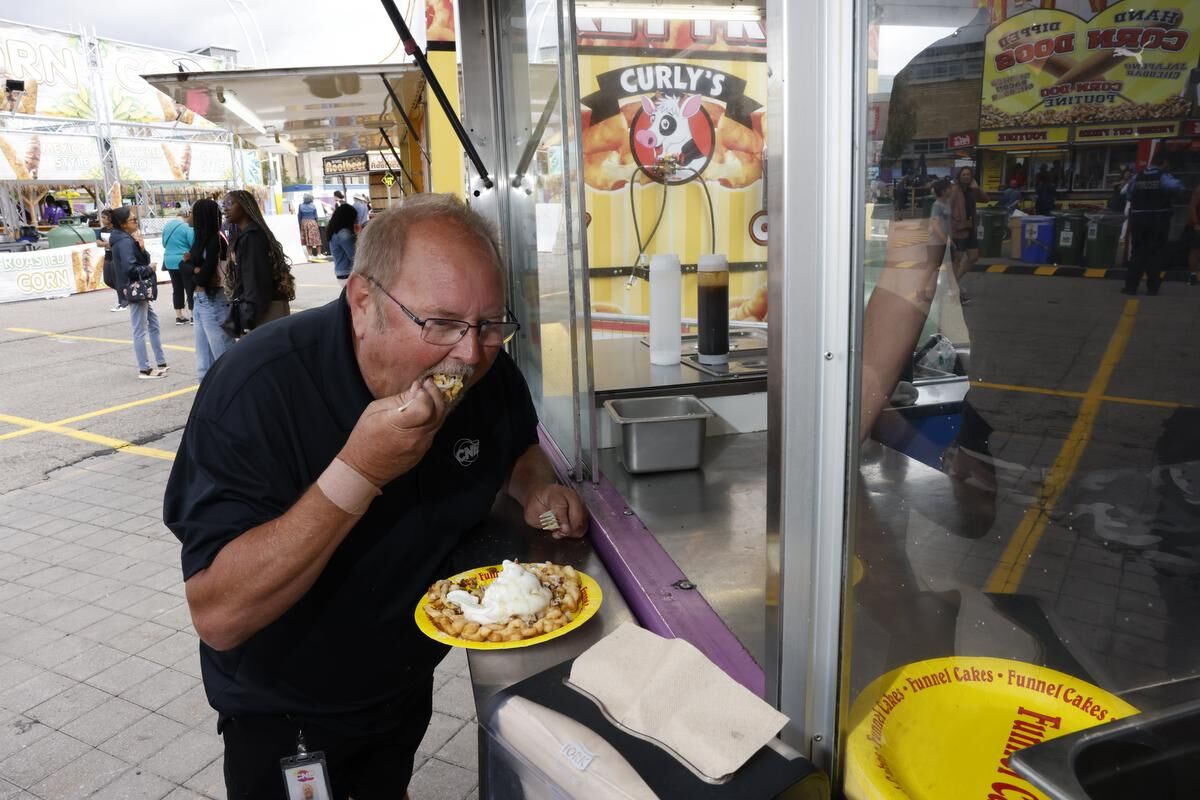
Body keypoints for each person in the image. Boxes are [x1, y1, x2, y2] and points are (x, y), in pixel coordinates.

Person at [163, 194, 588, 799]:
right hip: (291, 719)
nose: (470, 353)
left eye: (490, 324)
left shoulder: (486, 370)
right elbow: (219, 615)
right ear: (364, 304)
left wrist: (535, 485)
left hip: (402, 689)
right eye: (440, 323)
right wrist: (359, 469)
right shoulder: (256, 388)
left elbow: (515, 447)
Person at [223, 189, 295, 333]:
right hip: (262, 308)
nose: (225, 208)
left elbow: (255, 280)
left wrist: (249, 318)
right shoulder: (248, 235)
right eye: (223, 204)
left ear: (244, 205)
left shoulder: (252, 237)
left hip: (264, 311)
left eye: (230, 203)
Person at [110, 206, 168, 379]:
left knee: (153, 323)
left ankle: (161, 361)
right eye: (133, 220)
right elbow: (130, 268)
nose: (136, 222)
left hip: (135, 288)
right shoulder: (124, 241)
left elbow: (138, 260)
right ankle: (145, 369)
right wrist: (148, 269)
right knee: (139, 329)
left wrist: (141, 248)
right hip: (135, 287)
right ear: (123, 224)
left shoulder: (126, 238)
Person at [1123, 152, 1185, 296]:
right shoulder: (1163, 176)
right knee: (1155, 254)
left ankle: (1131, 287)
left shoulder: (1137, 176)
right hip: (1158, 219)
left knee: (1137, 252)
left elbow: (1129, 195)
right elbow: (1178, 188)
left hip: (1138, 219)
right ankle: (1152, 288)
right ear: (1164, 163)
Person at [188, 198, 236, 380]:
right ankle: (209, 404)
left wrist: (191, 269)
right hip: (201, 301)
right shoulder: (203, 239)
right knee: (203, 366)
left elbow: (204, 276)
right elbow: (189, 269)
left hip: (214, 300)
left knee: (224, 361)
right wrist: (193, 269)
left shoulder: (216, 240)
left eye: (192, 212)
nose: (188, 216)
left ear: (201, 216)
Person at [948, 166, 989, 293]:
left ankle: (954, 284)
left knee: (973, 257)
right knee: (957, 260)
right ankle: (952, 288)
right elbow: (947, 208)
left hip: (970, 228)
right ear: (959, 176)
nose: (966, 176)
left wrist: (976, 188)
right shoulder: (955, 190)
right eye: (963, 174)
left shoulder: (972, 190)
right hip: (958, 229)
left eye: (968, 174)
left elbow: (986, 199)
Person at [161, 205, 196, 325]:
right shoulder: (187, 227)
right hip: (183, 261)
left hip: (169, 261)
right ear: (187, 215)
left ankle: (179, 316)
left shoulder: (167, 226)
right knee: (190, 288)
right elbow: (193, 243)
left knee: (177, 288)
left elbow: (163, 244)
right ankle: (193, 315)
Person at [96, 209, 124, 312]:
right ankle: (124, 294)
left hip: (116, 256)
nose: (102, 219)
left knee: (118, 279)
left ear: (110, 218)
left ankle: (122, 301)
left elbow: (116, 242)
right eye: (102, 217)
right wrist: (106, 244)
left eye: (104, 217)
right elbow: (98, 243)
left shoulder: (117, 230)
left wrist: (109, 244)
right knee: (107, 280)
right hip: (107, 256)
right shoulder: (102, 230)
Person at [927, 178, 953, 287]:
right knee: (932, 267)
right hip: (936, 242)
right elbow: (935, 224)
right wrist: (945, 240)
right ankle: (920, 291)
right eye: (949, 188)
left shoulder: (946, 203)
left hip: (942, 241)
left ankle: (950, 290)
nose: (951, 190)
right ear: (943, 191)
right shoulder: (937, 205)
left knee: (947, 266)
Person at [327, 202, 358, 286]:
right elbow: (355, 255)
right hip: (348, 273)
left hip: (342, 273)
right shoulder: (344, 234)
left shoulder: (334, 231)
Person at [297, 193, 321, 260]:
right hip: (313, 222)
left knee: (307, 239)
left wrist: (299, 224)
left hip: (304, 222)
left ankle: (310, 255)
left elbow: (299, 216)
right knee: (316, 238)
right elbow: (316, 216)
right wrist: (317, 223)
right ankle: (319, 254)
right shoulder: (313, 206)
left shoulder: (300, 206)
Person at [1186, 183, 1200, 287]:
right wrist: (1196, 223)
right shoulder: (1198, 190)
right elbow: (1192, 206)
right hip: (1197, 224)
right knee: (1195, 250)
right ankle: (1192, 275)